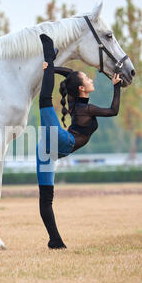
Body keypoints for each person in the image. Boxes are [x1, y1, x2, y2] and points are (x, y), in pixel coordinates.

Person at [37, 34, 122, 249]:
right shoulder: (87, 107)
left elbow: (71, 76)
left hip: (48, 149)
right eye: (88, 79)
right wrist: (116, 86)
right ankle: (47, 50)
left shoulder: (78, 101)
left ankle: (55, 240)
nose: (91, 79)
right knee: (44, 100)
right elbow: (113, 110)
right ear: (82, 88)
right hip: (62, 142)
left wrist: (54, 68)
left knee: (46, 196)